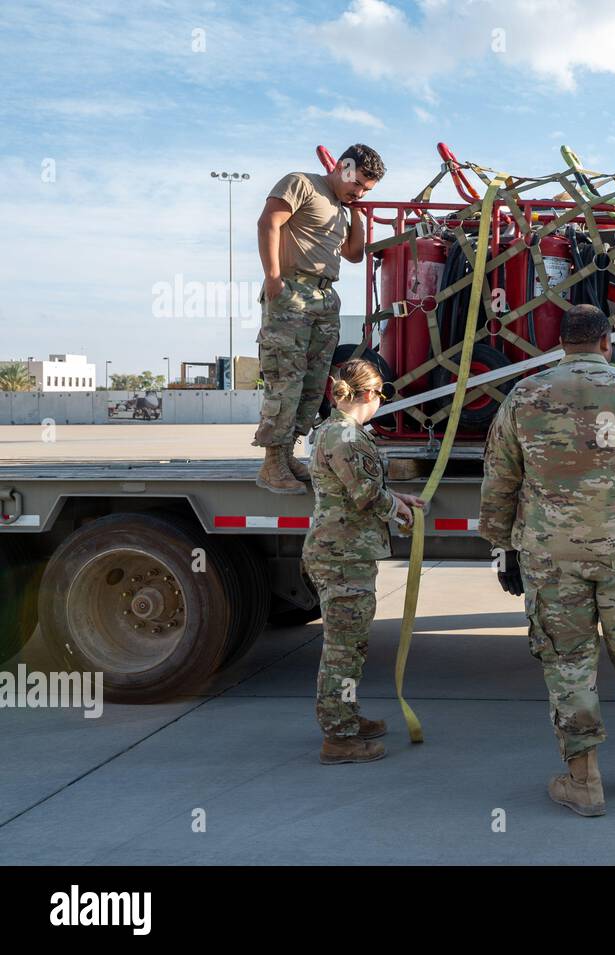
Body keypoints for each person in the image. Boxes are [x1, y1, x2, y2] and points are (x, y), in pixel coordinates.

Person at [479, 304, 615, 817]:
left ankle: (584, 781)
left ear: (561, 346)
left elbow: (499, 481)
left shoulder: (525, 395)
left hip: (549, 554)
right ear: (607, 341)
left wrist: (504, 547)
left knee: (567, 663)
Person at [302, 358, 426, 764]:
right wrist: (399, 510)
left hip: (343, 551)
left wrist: (399, 499)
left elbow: (362, 487)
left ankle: (347, 717)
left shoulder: (336, 431)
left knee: (350, 645)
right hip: (343, 556)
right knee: (342, 649)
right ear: (371, 394)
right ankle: (338, 739)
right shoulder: (346, 436)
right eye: (381, 394)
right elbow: (365, 496)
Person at [253, 143, 386, 494]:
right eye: (357, 184)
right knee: (286, 378)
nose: (358, 192)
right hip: (292, 292)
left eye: (365, 190)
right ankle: (272, 463)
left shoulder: (344, 208)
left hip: (325, 297)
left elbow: (355, 254)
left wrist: (357, 211)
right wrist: (273, 279)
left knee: (314, 384)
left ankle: (288, 454)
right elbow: (269, 222)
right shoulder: (302, 184)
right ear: (343, 167)